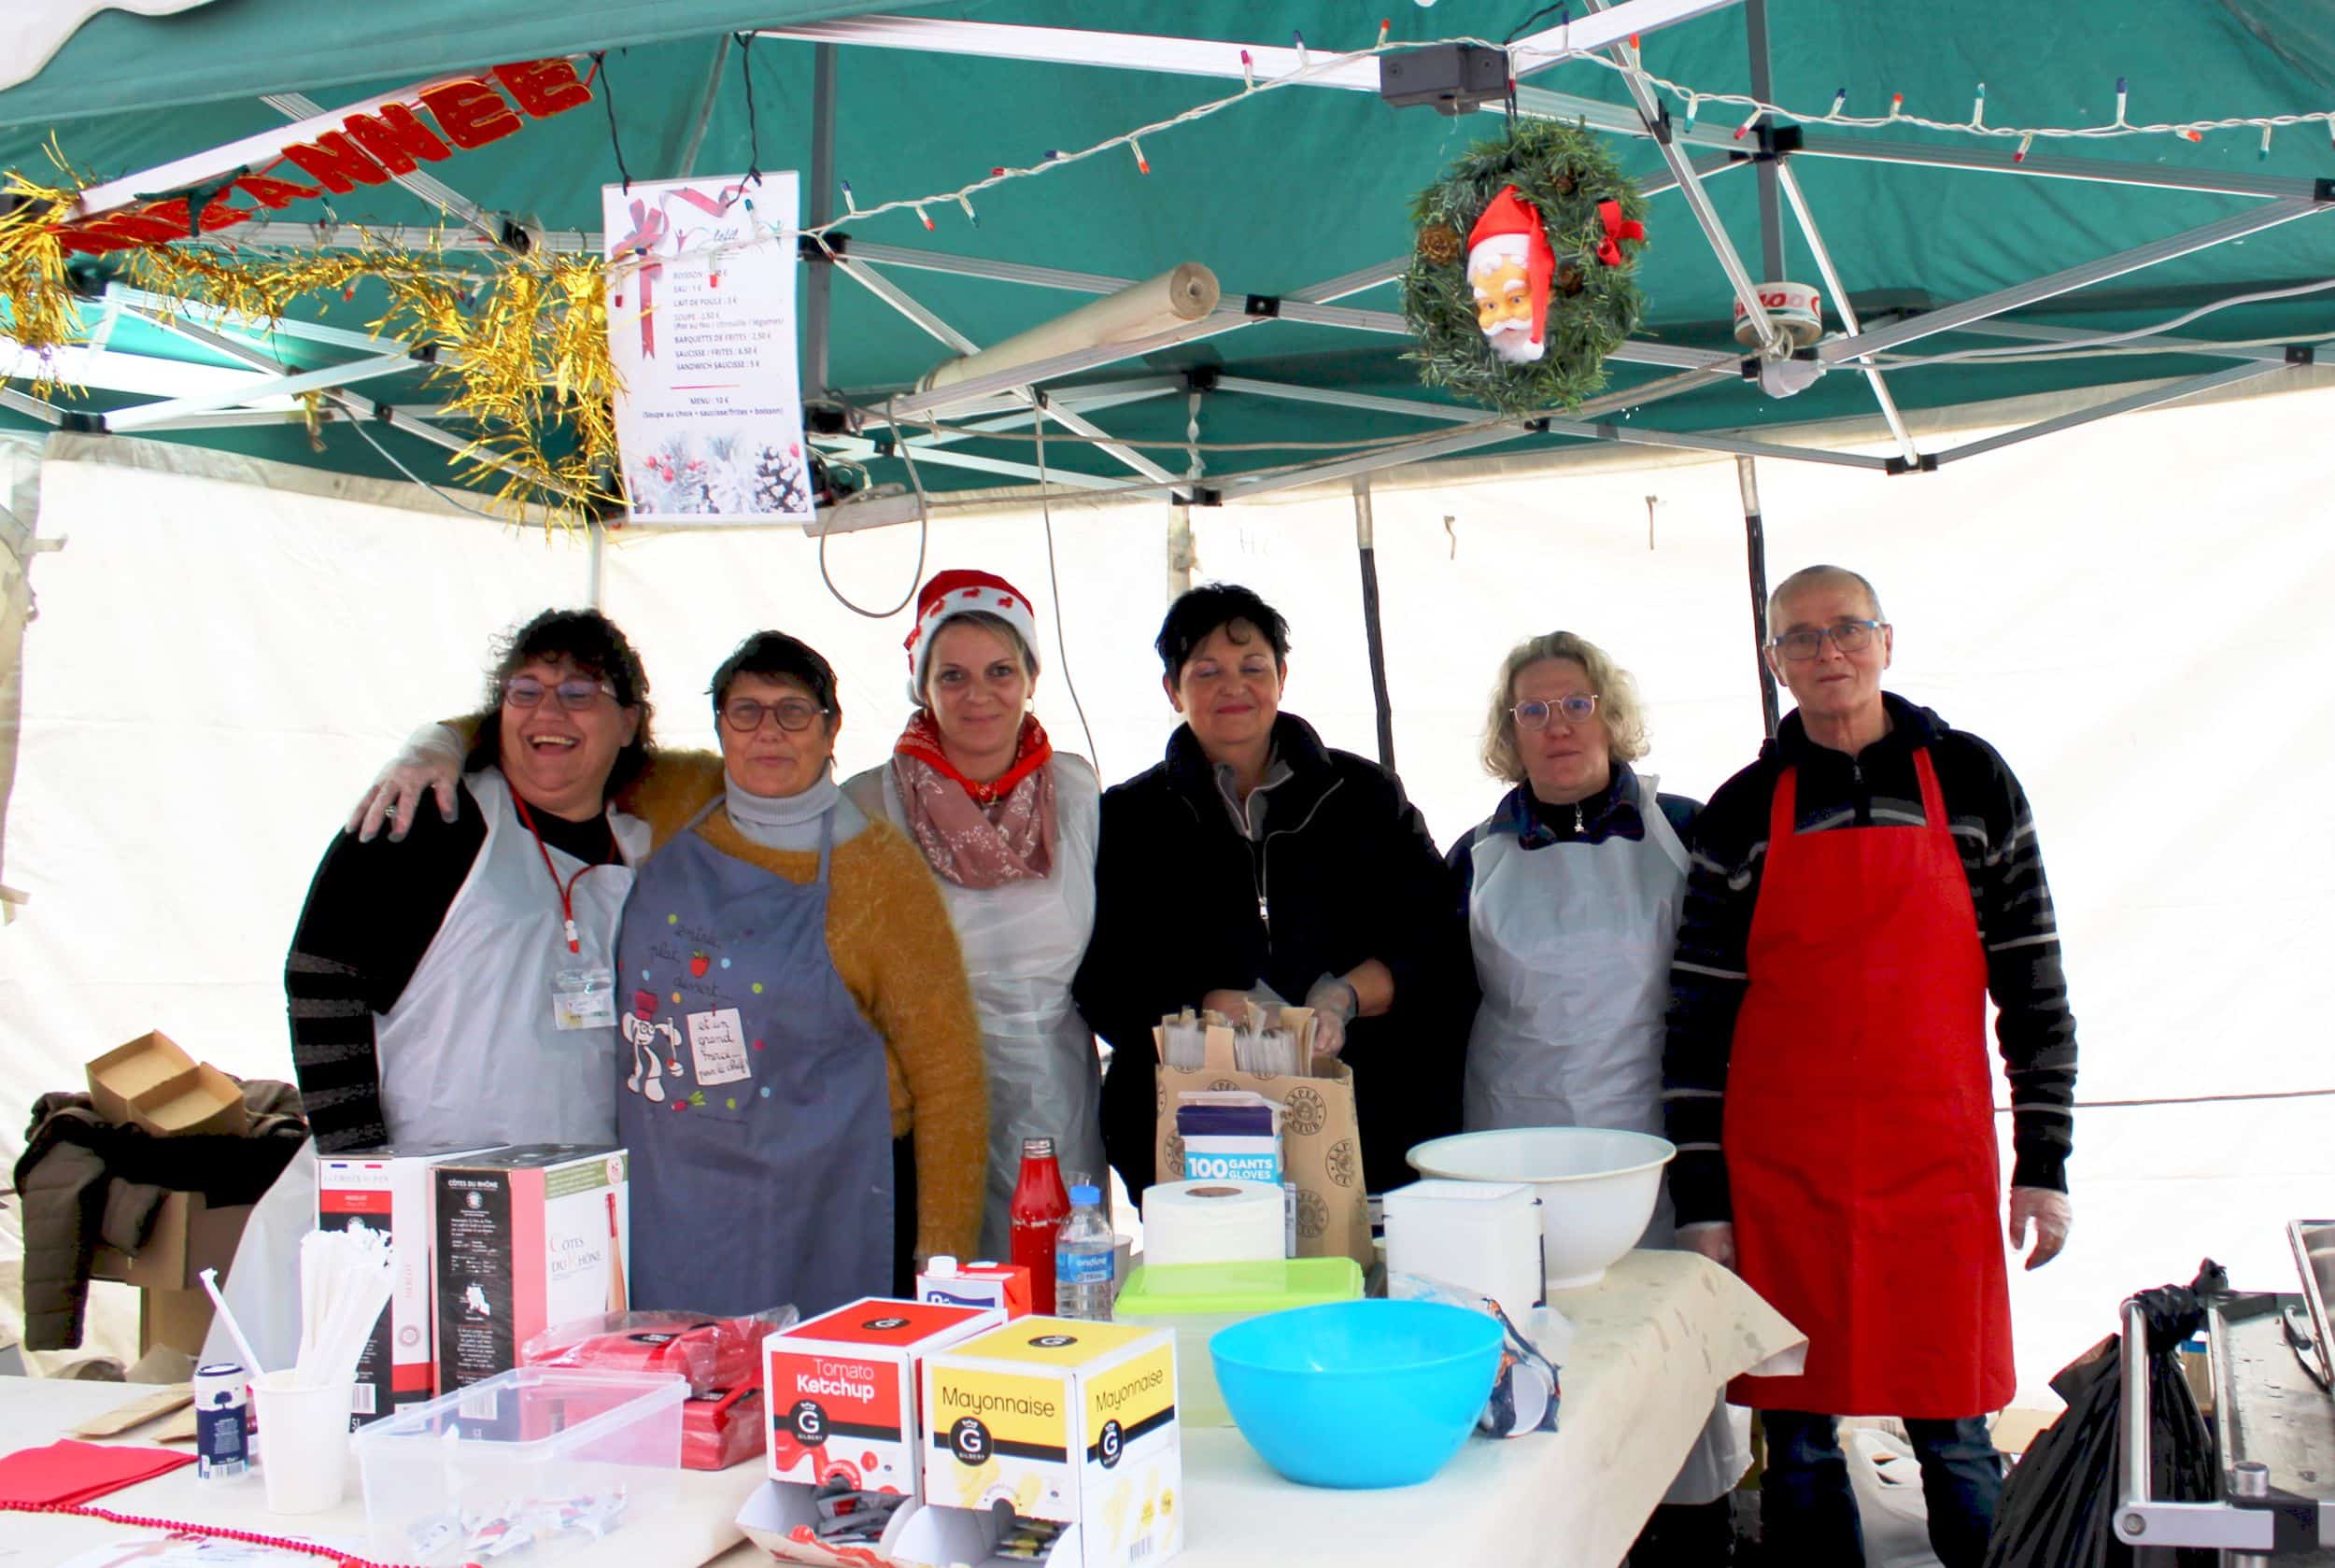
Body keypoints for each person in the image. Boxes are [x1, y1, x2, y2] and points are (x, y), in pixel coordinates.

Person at [347, 631, 989, 1316]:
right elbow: (557, 727)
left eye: (793, 711)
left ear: (832, 728)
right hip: (672, 1200)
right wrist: (438, 742)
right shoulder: (678, 795)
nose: (768, 732)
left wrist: (943, 1257)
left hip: (821, 1200)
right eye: (745, 710)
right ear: (719, 726)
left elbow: (951, 1074)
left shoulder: (882, 873)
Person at [1663, 565, 2079, 1568]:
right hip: (1780, 1182)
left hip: (1934, 1166)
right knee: (1798, 1439)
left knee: (1954, 1431)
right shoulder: (1742, 807)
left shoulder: (1972, 777)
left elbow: (2031, 979)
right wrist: (1704, 1198)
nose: (1826, 652)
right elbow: (1695, 1017)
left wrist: (2044, 1162)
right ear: (1773, 663)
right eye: (1799, 638)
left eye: (1845, 628)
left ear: (1887, 641)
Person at [212, 609, 655, 1372]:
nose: (549, 713)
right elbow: (321, 974)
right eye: (526, 690)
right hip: (401, 1215)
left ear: (629, 723)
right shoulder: (432, 816)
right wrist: (361, 1176)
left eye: (579, 692)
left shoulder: (642, 848)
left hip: (562, 1224)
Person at [1449, 631, 1740, 1563]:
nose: (1557, 725)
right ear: (1510, 733)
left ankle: (1698, 1539)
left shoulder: (1688, 828)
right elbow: (1432, 994)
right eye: (1532, 710)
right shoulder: (1474, 854)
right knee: (1541, 1368)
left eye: (1575, 703)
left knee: (1664, 1362)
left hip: (1649, 1146)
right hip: (1510, 1144)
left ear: (1611, 715)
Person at [1073, 583, 1472, 1202]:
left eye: (1252, 666)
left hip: (1376, 1124)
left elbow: (1436, 934)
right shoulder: (1128, 817)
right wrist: (1209, 1003)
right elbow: (1101, 974)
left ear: (1282, 676)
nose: (1234, 686)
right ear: (1173, 690)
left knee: (1364, 1286)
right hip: (1195, 1132)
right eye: (1207, 671)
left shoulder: (1364, 793)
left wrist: (1344, 996)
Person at [841, 570, 1105, 1259]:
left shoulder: (1076, 789)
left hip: (1058, 1087)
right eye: (952, 675)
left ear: (1031, 677)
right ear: (921, 686)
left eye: (1000, 670)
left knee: (1059, 1280)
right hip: (930, 1094)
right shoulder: (868, 803)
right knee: (951, 1284)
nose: (979, 694)